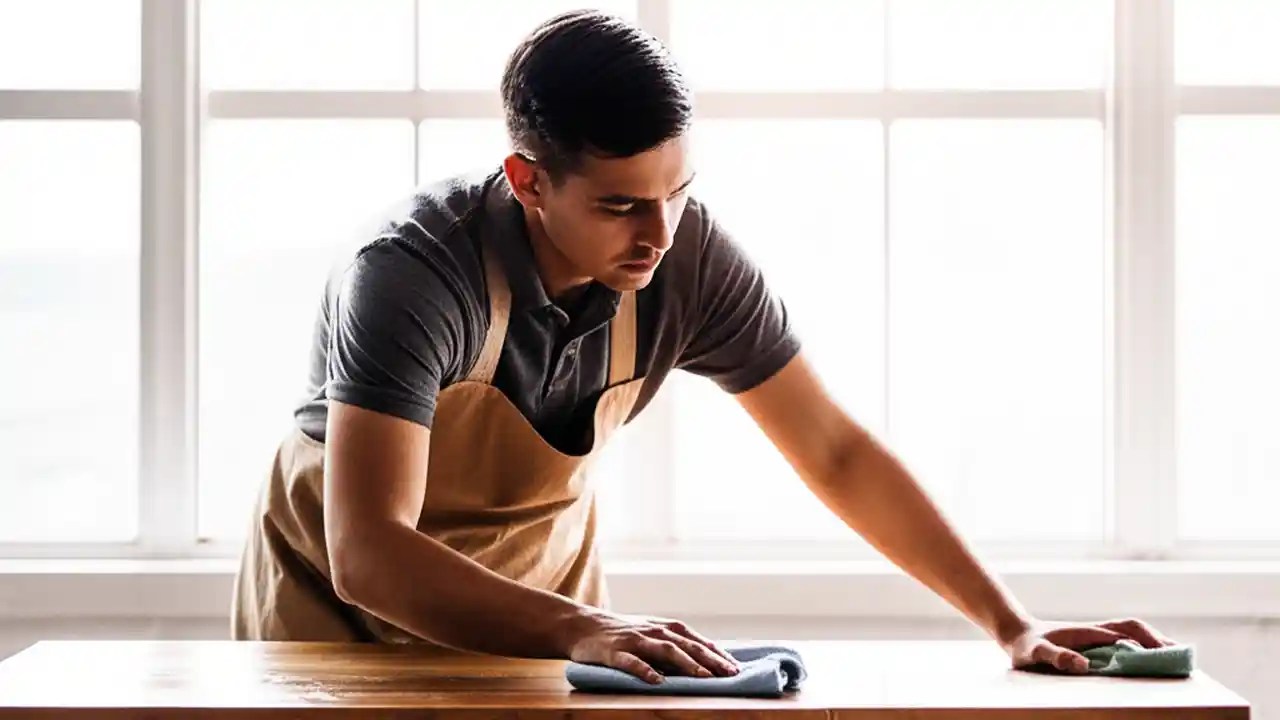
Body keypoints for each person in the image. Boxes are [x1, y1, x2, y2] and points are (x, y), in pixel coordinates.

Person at [231, 9, 1176, 684]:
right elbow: (370, 549)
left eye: (677, 192)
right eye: (619, 204)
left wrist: (1008, 624)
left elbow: (836, 451)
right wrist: (587, 629)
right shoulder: (409, 272)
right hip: (339, 618)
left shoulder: (689, 261)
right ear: (527, 178)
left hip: (541, 617)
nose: (659, 234)